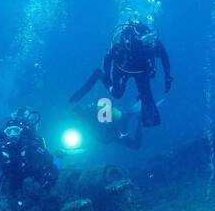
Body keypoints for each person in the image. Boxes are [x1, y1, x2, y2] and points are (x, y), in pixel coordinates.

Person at [69, 15, 173, 148]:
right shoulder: (123, 45)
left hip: (142, 71)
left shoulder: (153, 43)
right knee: (117, 94)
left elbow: (164, 56)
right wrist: (105, 75)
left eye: (150, 40)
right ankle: (99, 76)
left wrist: (168, 76)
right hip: (123, 70)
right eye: (146, 41)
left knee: (147, 97)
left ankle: (143, 114)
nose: (148, 42)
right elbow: (108, 58)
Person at [0, 108, 58, 205]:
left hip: (33, 177)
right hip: (12, 179)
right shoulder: (1, 149)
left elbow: (48, 158)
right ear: (5, 134)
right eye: (9, 131)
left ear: (21, 132)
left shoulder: (31, 145)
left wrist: (49, 174)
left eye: (16, 130)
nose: (13, 134)